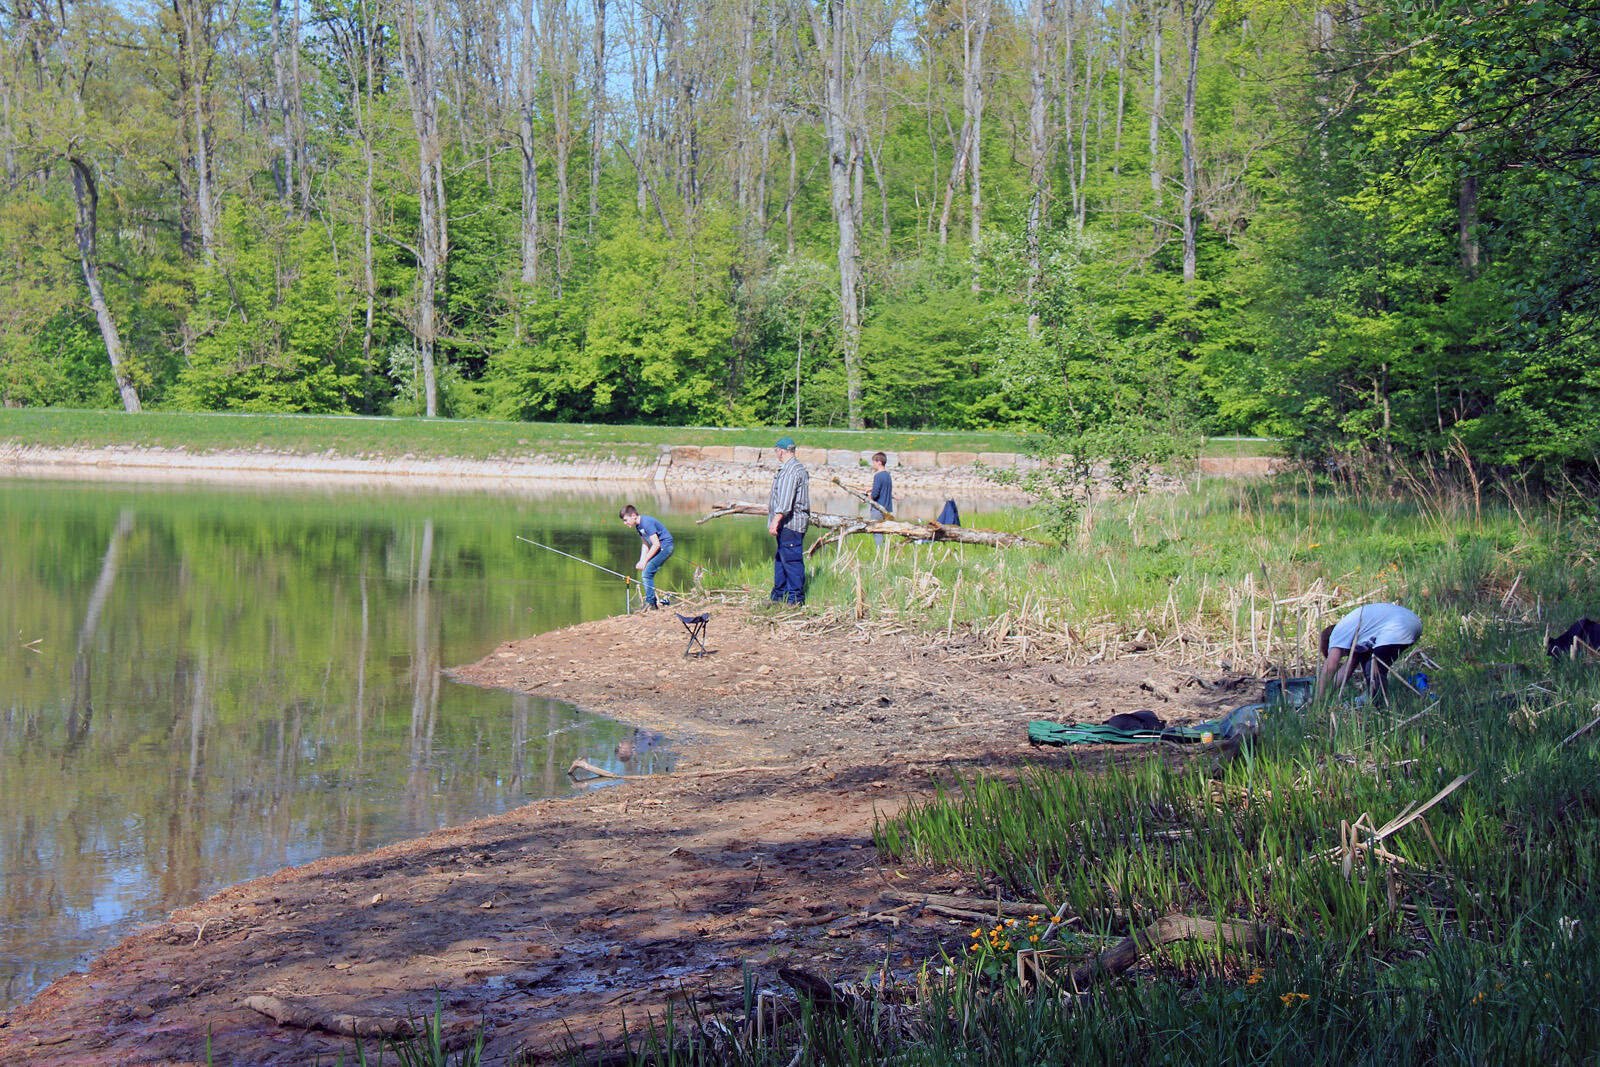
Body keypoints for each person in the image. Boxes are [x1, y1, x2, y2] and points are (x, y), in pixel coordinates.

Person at [1315, 602, 1422, 704]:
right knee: (1368, 663)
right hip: (1412, 621)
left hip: (1398, 626)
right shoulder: (1358, 634)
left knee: (1373, 669)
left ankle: (1379, 707)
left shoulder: (1337, 634)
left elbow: (1330, 667)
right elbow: (1346, 670)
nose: (1345, 655)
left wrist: (1318, 699)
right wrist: (1328, 693)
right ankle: (1376, 699)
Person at [766, 436, 810, 604]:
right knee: (781, 559)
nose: (777, 453)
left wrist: (775, 521)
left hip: (791, 524)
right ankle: (778, 596)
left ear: (781, 451)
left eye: (777, 450)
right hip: (788, 524)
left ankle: (795, 599)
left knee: (792, 561)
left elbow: (785, 502)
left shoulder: (791, 471)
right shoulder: (795, 468)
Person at [619, 504, 673, 610]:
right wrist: (641, 560)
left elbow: (656, 544)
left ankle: (651, 603)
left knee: (647, 572)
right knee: (646, 572)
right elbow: (645, 544)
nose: (625, 523)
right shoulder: (639, 526)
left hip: (665, 547)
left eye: (626, 520)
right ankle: (651, 602)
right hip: (658, 548)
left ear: (634, 515)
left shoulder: (646, 523)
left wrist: (645, 561)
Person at [867, 451, 893, 547]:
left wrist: (867, 497)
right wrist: (871, 489)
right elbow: (884, 489)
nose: (873, 465)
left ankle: (879, 551)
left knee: (877, 531)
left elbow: (875, 494)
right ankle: (884, 550)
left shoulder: (877, 476)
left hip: (877, 509)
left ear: (879, 462)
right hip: (887, 508)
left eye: (874, 462)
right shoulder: (887, 475)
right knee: (884, 531)